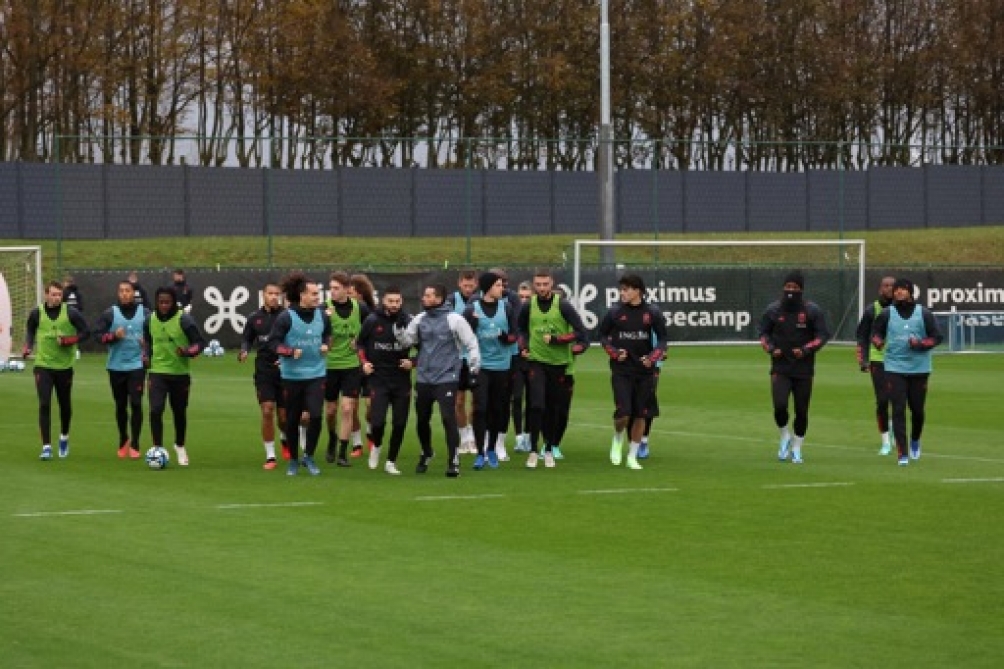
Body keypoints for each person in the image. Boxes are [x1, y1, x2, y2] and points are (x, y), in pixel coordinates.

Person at [395, 283, 480, 478]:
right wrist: (399, 330)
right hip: (424, 377)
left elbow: (471, 342)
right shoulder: (420, 319)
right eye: (424, 295)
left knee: (448, 417)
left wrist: (474, 364)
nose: (424, 298)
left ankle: (453, 461)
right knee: (422, 420)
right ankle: (427, 452)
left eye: (428, 295)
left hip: (447, 376)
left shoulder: (455, 319)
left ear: (439, 299)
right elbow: (407, 341)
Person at [517, 269, 588, 468]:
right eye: (538, 284)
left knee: (552, 408)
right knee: (536, 405)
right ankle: (533, 450)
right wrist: (523, 347)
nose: (541, 288)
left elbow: (581, 332)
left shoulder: (563, 305)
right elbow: (520, 329)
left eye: (545, 284)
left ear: (551, 283)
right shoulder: (529, 305)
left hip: (558, 364)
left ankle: (548, 449)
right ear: (534, 285)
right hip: (536, 361)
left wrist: (558, 340)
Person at [757, 271, 831, 464]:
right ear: (783, 287)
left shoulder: (812, 311)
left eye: (795, 287)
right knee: (780, 406)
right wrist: (771, 349)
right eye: (788, 286)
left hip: (804, 370)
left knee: (802, 410)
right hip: (780, 367)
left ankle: (797, 447)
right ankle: (784, 435)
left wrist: (806, 350)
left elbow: (822, 336)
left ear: (801, 290)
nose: (791, 290)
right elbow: (763, 334)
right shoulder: (773, 310)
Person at [871, 278, 943, 466]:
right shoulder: (887, 313)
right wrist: (878, 342)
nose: (898, 292)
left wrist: (920, 344)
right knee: (898, 409)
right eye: (896, 289)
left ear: (910, 292)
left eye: (902, 289)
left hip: (920, 368)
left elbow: (937, 337)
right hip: (894, 367)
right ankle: (902, 453)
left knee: (917, 410)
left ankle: (915, 440)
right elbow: (875, 333)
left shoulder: (924, 313)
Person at [601, 274, 668, 470]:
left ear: (638, 291)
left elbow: (663, 340)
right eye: (621, 289)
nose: (622, 293)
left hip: (645, 371)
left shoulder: (652, 312)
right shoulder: (614, 312)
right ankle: (617, 438)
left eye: (626, 289)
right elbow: (602, 336)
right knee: (623, 413)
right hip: (621, 370)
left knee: (641, 414)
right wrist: (614, 353)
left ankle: (632, 456)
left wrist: (652, 358)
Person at [268, 274, 331, 476]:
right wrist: (289, 352)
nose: (317, 297)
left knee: (316, 416)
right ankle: (294, 460)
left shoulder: (323, 316)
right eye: (313, 294)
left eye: (318, 293)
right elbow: (273, 343)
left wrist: (326, 345)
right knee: (292, 419)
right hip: (292, 377)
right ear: (302, 295)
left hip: (316, 374)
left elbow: (328, 335)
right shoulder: (286, 317)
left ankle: (309, 456)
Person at [24, 281, 90, 460]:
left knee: (64, 404)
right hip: (43, 365)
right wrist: (28, 346)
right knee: (44, 403)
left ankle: (64, 437)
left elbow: (86, 332)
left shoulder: (71, 313)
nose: (56, 298)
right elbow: (30, 330)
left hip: (64, 367)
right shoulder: (37, 313)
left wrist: (69, 340)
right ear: (46, 295)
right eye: (53, 294)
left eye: (59, 295)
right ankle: (46, 446)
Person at [143, 286, 206, 466]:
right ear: (156, 302)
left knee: (179, 412)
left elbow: (200, 343)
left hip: (179, 374)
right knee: (155, 410)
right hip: (157, 372)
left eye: (167, 302)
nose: (164, 305)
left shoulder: (184, 320)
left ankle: (179, 445)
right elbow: (148, 342)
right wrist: (145, 355)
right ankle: (157, 448)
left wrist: (187, 352)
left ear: (173, 303)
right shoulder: (149, 320)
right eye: (161, 302)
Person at [356, 285, 414, 475]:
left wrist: (413, 362)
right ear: (383, 301)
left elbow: (425, 348)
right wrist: (364, 362)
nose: (394, 305)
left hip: (401, 380)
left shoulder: (409, 322)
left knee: (399, 423)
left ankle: (391, 461)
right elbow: (359, 344)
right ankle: (377, 446)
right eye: (391, 301)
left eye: (397, 301)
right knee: (378, 422)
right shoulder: (372, 320)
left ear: (401, 301)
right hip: (378, 379)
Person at [463, 271, 518, 470]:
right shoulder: (472, 309)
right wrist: (472, 324)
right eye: (498, 285)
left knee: (497, 408)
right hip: (481, 366)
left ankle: (492, 449)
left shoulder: (507, 307)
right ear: (488, 287)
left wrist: (506, 338)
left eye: (502, 285)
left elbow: (515, 334)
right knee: (480, 408)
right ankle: (480, 453)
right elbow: (463, 336)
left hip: (502, 366)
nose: (502, 288)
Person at [93, 280, 146, 459]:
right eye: (121, 291)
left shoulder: (145, 313)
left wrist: (147, 343)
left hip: (137, 365)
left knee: (136, 403)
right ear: (118, 293)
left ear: (134, 293)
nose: (124, 294)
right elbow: (97, 336)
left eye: (127, 290)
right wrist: (113, 336)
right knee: (121, 405)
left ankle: (136, 442)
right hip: (116, 367)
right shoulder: (110, 314)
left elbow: (155, 333)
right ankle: (124, 438)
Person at [239, 281, 288, 469]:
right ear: (263, 295)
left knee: (284, 417)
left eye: (277, 294)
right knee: (267, 410)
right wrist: (244, 350)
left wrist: (286, 356)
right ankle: (270, 455)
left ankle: (285, 437)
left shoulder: (287, 317)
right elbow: (247, 339)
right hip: (264, 370)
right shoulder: (254, 318)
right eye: (270, 293)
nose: (274, 297)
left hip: (285, 370)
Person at [323, 271, 370, 466]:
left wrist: (359, 341)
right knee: (331, 411)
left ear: (347, 289)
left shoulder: (360, 308)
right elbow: (315, 333)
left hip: (351, 365)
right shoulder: (324, 309)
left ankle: (343, 453)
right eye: (331, 288)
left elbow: (372, 330)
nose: (332, 292)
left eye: (336, 288)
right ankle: (332, 438)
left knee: (347, 408)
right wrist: (325, 341)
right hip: (329, 366)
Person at [855, 276, 896, 455]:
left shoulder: (904, 310)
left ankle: (894, 430)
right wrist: (863, 359)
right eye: (886, 286)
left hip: (899, 360)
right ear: (880, 289)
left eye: (892, 286)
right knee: (882, 400)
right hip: (877, 359)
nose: (889, 289)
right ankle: (885, 441)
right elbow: (862, 336)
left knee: (898, 400)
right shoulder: (872, 310)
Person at [448, 269, 479, 453]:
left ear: (476, 284)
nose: (468, 288)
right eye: (465, 285)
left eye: (471, 285)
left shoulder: (481, 301)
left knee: (476, 401)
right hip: (457, 358)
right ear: (459, 283)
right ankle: (464, 437)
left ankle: (473, 437)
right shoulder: (452, 301)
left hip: (475, 357)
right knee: (458, 401)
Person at [348, 273, 377, 454]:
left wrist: (360, 342)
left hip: (367, 362)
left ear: (360, 294)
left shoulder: (371, 313)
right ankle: (357, 443)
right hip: (349, 364)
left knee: (371, 405)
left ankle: (370, 433)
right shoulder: (340, 312)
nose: (347, 296)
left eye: (351, 293)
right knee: (351, 406)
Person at [511, 280, 533, 453]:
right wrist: (520, 349)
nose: (524, 300)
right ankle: (518, 437)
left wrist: (531, 351)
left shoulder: (538, 314)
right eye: (521, 296)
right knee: (517, 398)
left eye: (527, 297)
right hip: (517, 362)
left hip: (534, 362)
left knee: (533, 401)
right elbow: (511, 336)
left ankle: (528, 435)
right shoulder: (512, 313)